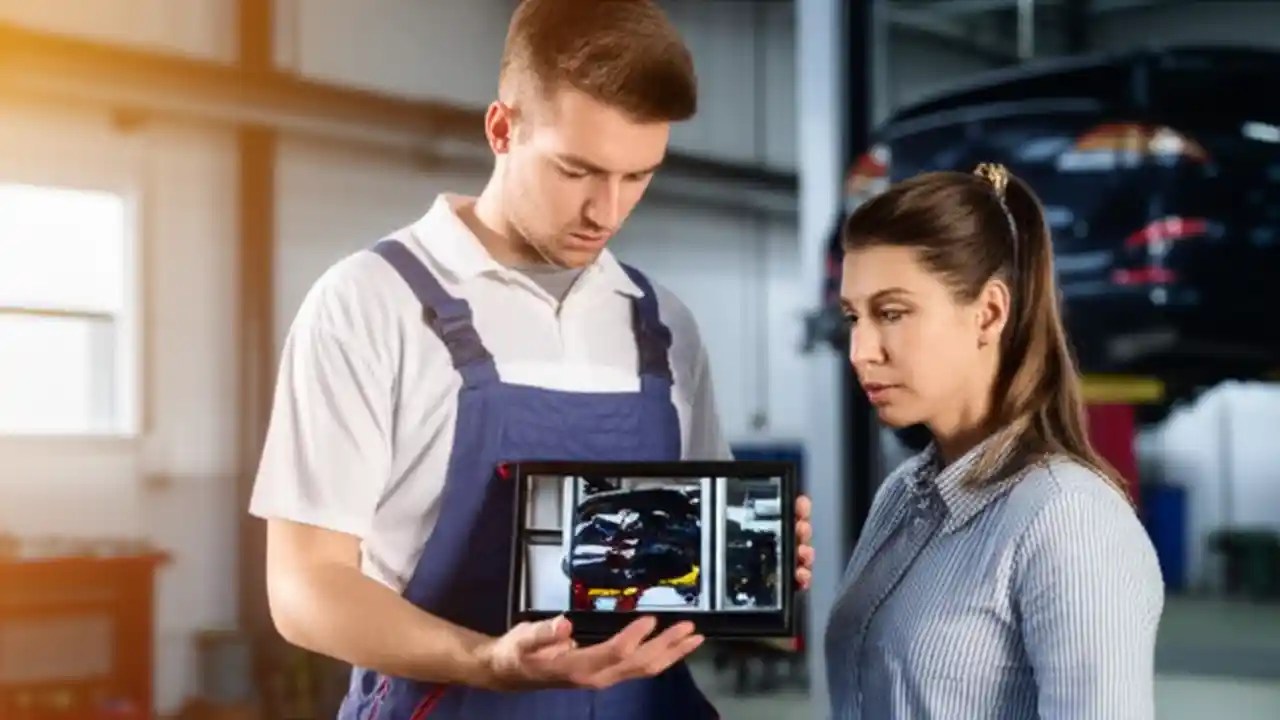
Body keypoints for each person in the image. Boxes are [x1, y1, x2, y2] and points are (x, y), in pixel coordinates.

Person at [248, 1, 814, 719]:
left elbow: (680, 573)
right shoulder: (369, 304)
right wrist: (485, 662)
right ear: (502, 129)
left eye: (638, 177)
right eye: (576, 170)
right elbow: (304, 590)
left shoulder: (663, 325)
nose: (606, 212)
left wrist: (750, 567)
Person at [824, 163, 1164, 719]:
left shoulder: (1068, 519)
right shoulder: (901, 496)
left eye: (891, 313)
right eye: (852, 316)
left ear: (989, 313)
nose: (861, 350)